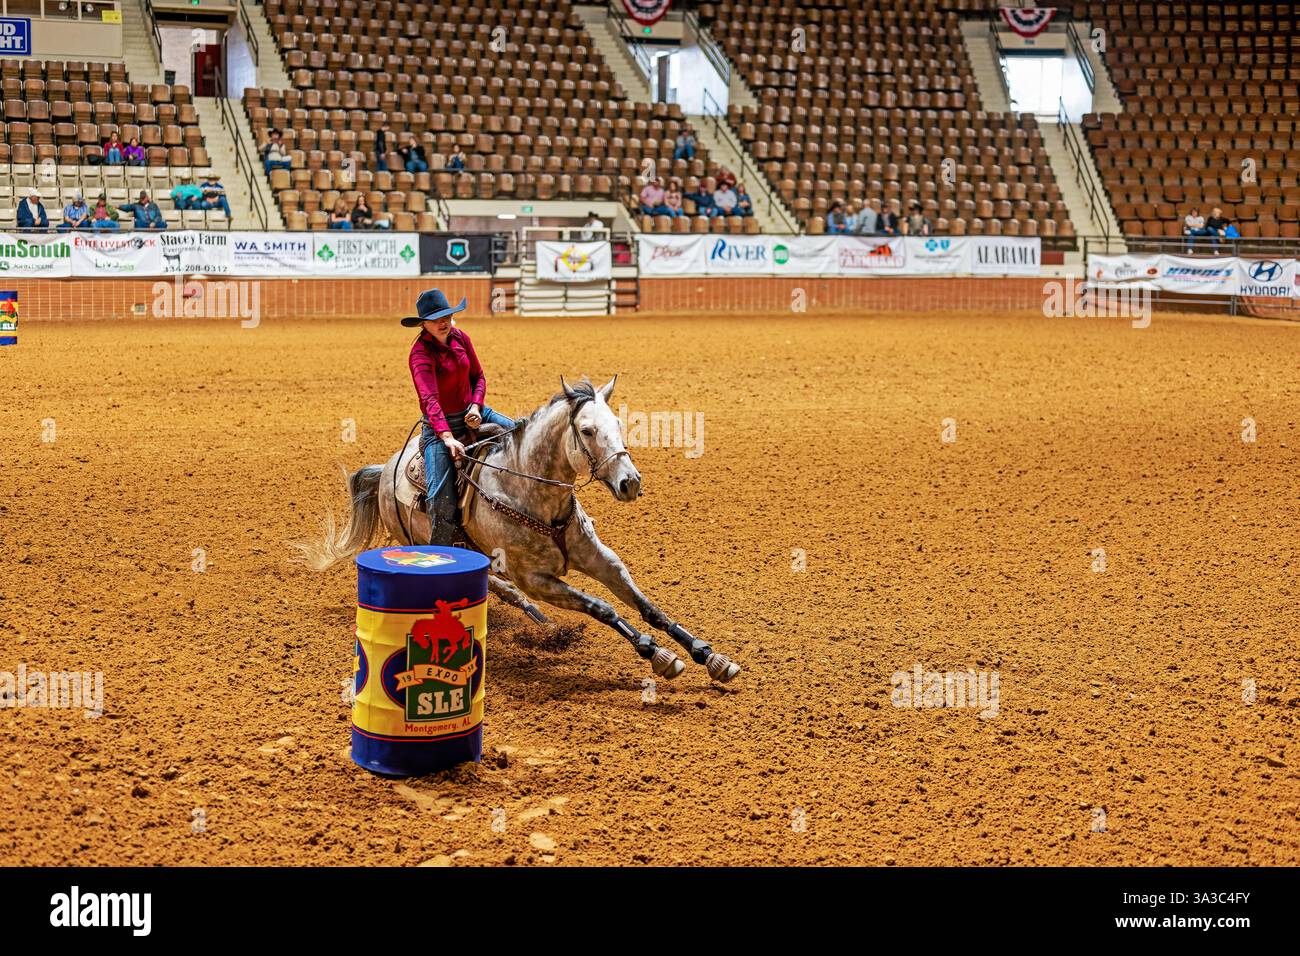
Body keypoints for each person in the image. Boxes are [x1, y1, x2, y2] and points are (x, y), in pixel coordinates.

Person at [403, 288, 516, 545]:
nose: (443, 322)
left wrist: (476, 407)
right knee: (441, 500)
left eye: (447, 316)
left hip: (474, 412)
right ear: (423, 324)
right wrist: (447, 436)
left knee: (524, 436)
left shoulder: (460, 338)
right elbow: (429, 400)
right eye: (435, 319)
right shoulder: (420, 354)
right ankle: (441, 554)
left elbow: (479, 377)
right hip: (438, 428)